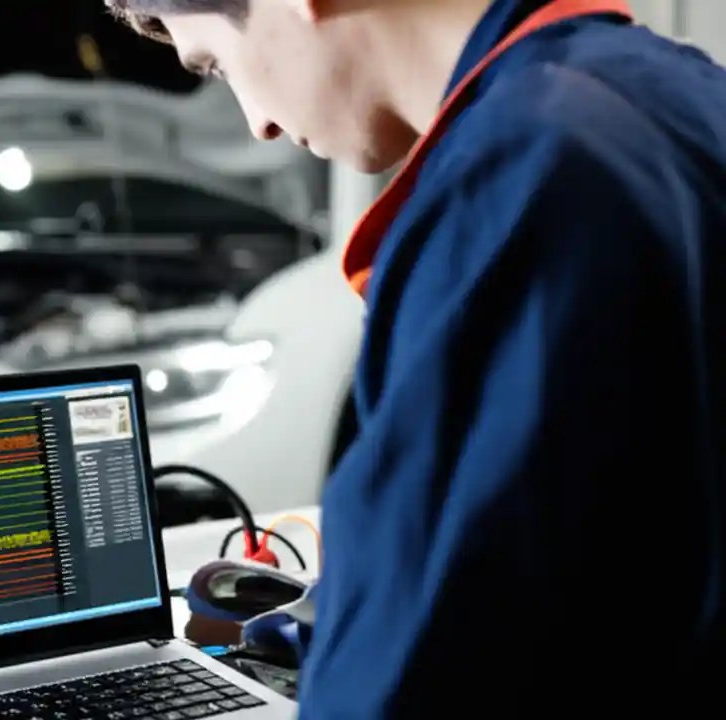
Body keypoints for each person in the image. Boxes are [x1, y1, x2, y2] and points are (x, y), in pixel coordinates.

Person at [105, 0, 726, 715]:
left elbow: (420, 669)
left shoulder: (519, 178)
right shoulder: (676, 90)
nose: (259, 124)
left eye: (218, 66)